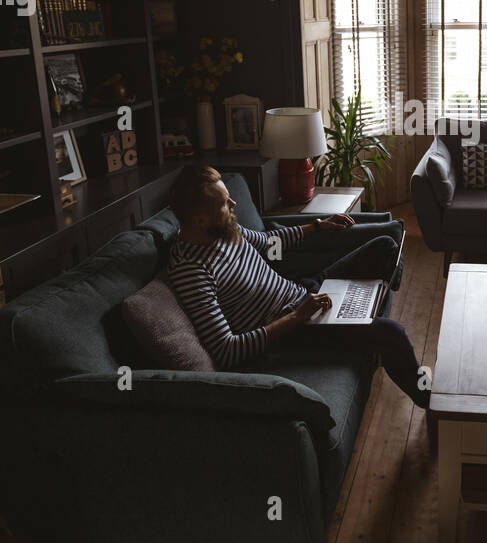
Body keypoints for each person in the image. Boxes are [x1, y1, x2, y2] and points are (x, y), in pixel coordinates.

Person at [164, 165, 429, 408]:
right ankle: (431, 400)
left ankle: (360, 320)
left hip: (302, 293)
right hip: (294, 329)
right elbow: (227, 350)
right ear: (199, 220)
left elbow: (269, 242)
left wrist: (318, 226)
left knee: (384, 246)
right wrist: (298, 316)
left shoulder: (222, 231)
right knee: (393, 334)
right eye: (224, 204)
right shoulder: (191, 271)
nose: (233, 204)